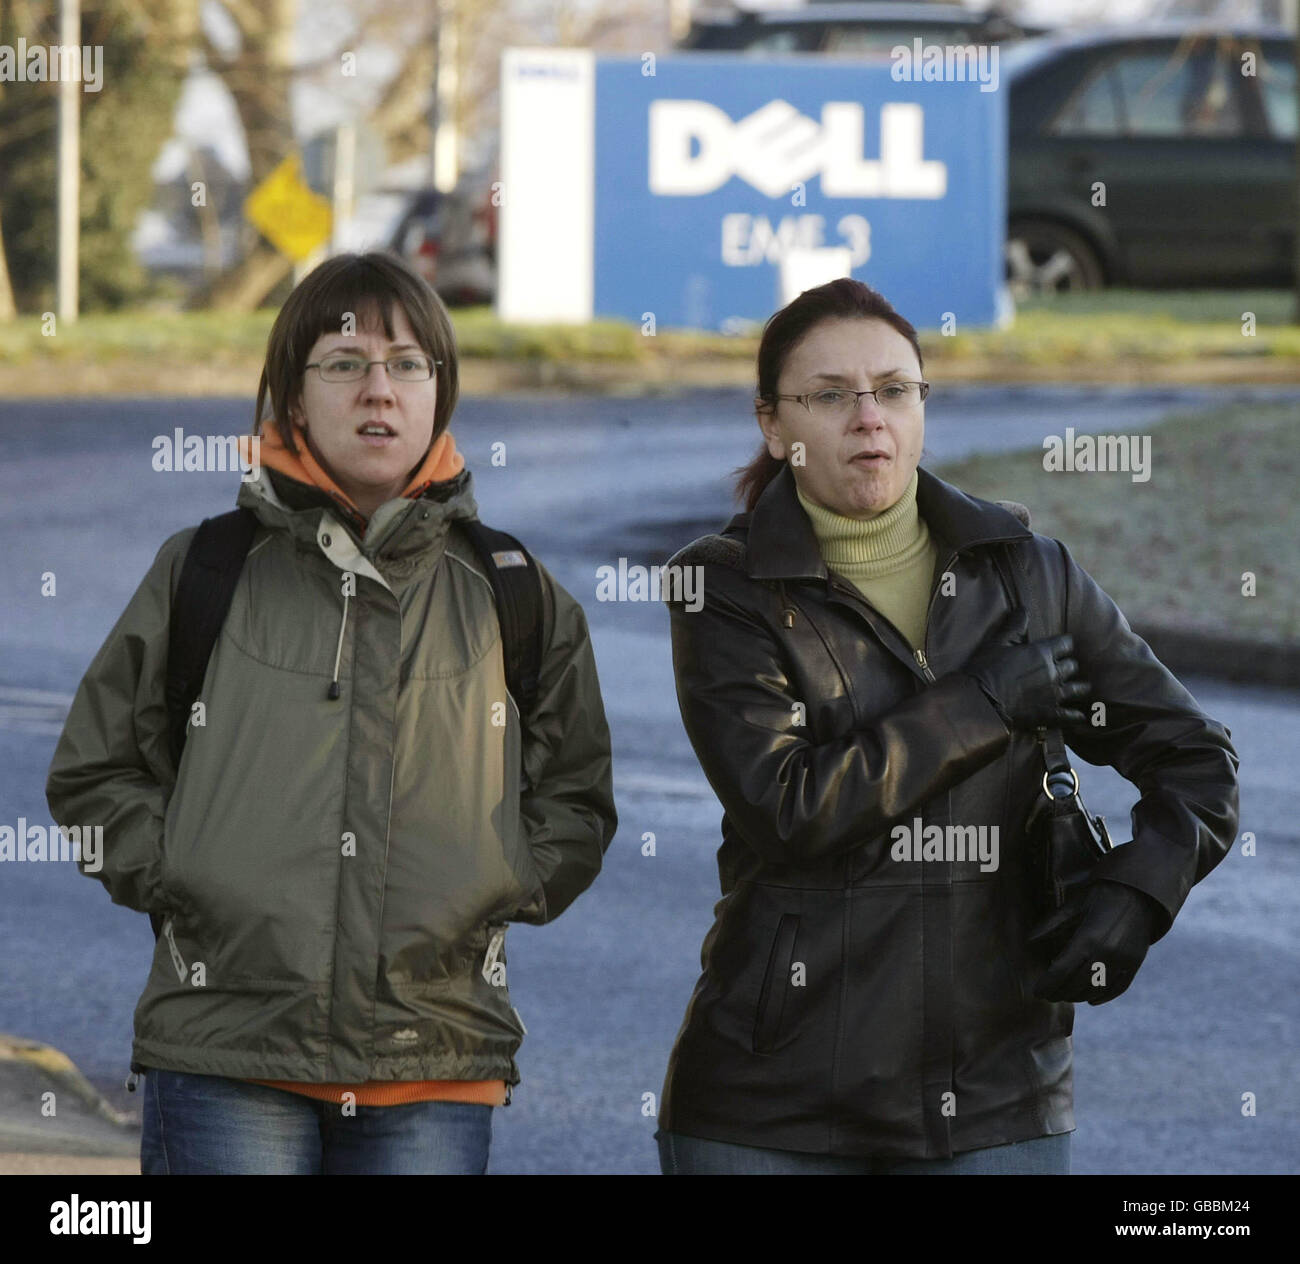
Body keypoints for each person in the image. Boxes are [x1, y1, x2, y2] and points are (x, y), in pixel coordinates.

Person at [45, 251, 617, 1175]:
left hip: (434, 1060)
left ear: (441, 392)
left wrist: (496, 887)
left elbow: (578, 796)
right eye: (344, 364)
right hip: (229, 1052)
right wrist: (186, 874)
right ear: (293, 395)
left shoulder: (512, 588)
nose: (377, 391)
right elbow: (93, 771)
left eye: (406, 365)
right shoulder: (205, 568)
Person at [654, 278, 1239, 1175]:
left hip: (1000, 1096)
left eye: (894, 389)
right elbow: (791, 808)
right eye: (830, 395)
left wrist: (1138, 892)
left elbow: (1195, 758)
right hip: (773, 1106)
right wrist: (986, 703)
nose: (869, 419)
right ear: (774, 425)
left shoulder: (1027, 575)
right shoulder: (726, 588)